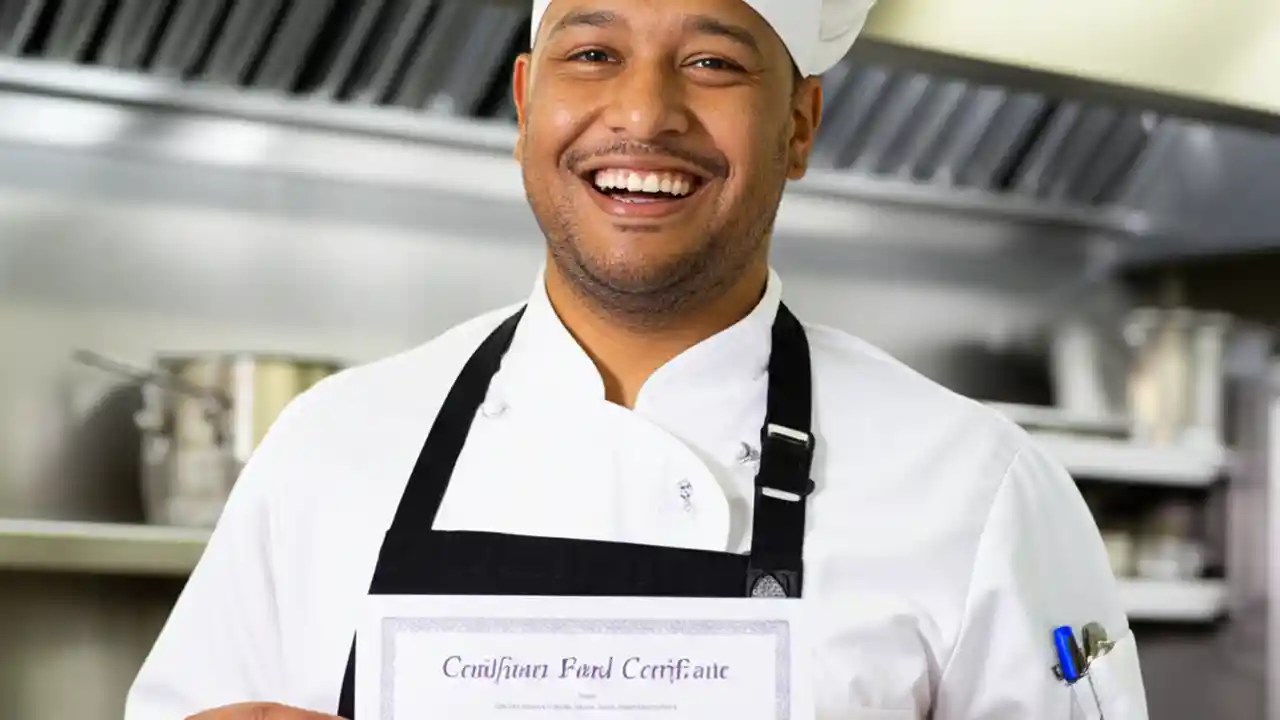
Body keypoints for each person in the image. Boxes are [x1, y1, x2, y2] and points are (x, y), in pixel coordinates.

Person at [127, 0, 1149, 718]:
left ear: (798, 124)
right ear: (527, 100)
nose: (643, 113)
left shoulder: (978, 487)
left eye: (711, 61)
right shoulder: (332, 446)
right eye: (592, 54)